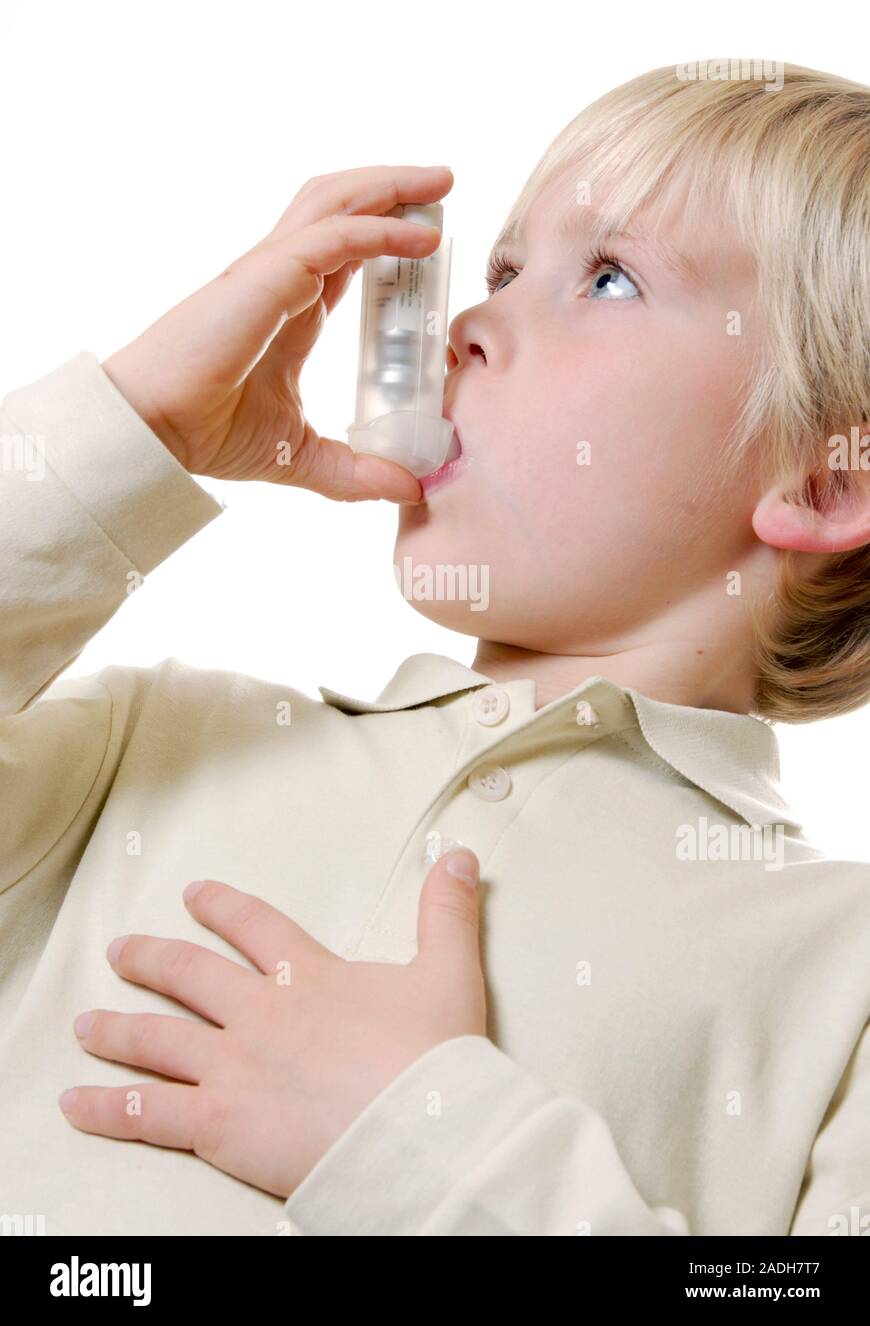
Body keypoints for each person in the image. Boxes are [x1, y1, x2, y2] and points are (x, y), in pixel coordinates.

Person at [1, 61, 869, 1237]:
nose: (465, 321)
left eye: (608, 278)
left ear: (824, 477)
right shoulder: (142, 749)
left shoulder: (838, 973)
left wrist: (419, 1142)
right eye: (501, 269)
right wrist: (132, 426)